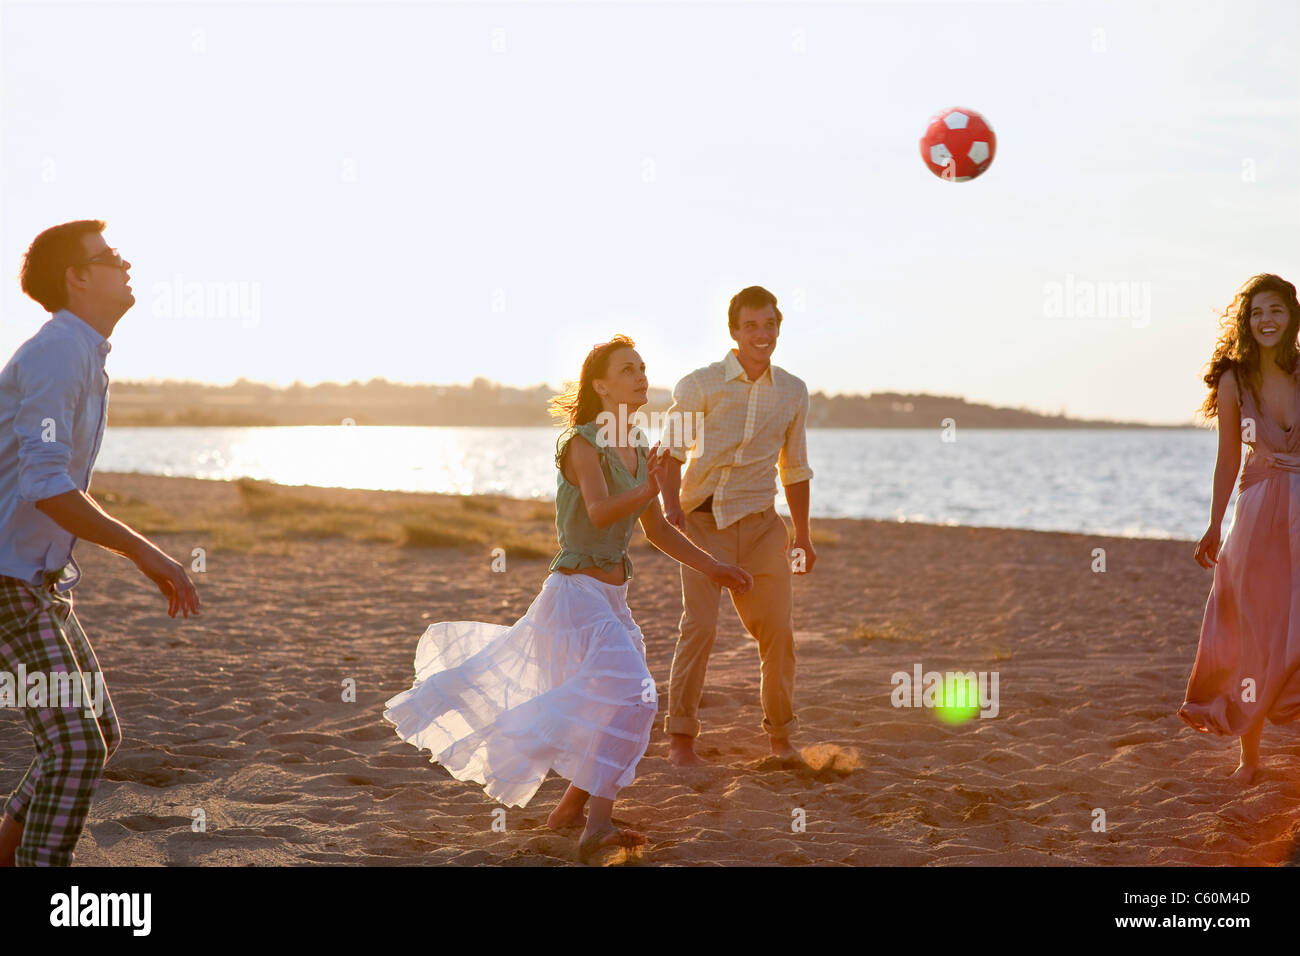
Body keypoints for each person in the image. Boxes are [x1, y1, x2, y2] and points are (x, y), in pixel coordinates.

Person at [384, 335, 752, 863]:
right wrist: (649, 488)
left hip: (613, 599)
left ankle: (569, 811)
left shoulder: (637, 440)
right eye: (629, 369)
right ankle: (596, 827)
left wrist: (714, 566)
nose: (641, 376)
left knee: (626, 702)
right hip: (575, 595)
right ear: (600, 384)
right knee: (631, 695)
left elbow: (657, 533)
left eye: (644, 367)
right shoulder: (581, 441)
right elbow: (601, 512)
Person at [0, 219, 201, 867]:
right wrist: (145, 552)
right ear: (77, 277)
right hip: (6, 580)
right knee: (75, 747)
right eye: (108, 257)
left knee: (97, 734)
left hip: (36, 579)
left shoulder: (83, 351)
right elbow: (46, 485)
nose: (125, 264)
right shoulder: (58, 351)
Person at [659, 286, 815, 767]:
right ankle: (682, 741)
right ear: (734, 331)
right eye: (751, 325)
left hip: (764, 527)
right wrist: (671, 509)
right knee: (700, 628)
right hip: (702, 525)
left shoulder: (792, 392)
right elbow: (669, 455)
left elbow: (795, 469)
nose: (761, 334)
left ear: (778, 328)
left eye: (769, 325)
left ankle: (781, 740)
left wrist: (804, 537)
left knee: (778, 634)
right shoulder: (699, 386)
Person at [1180, 273, 1300, 784]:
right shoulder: (1235, 380)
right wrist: (1213, 523)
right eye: (1256, 313)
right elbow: (1228, 457)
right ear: (1246, 323)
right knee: (1254, 624)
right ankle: (1250, 758)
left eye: (1275, 310)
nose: (1266, 320)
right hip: (1257, 513)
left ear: (1291, 316)